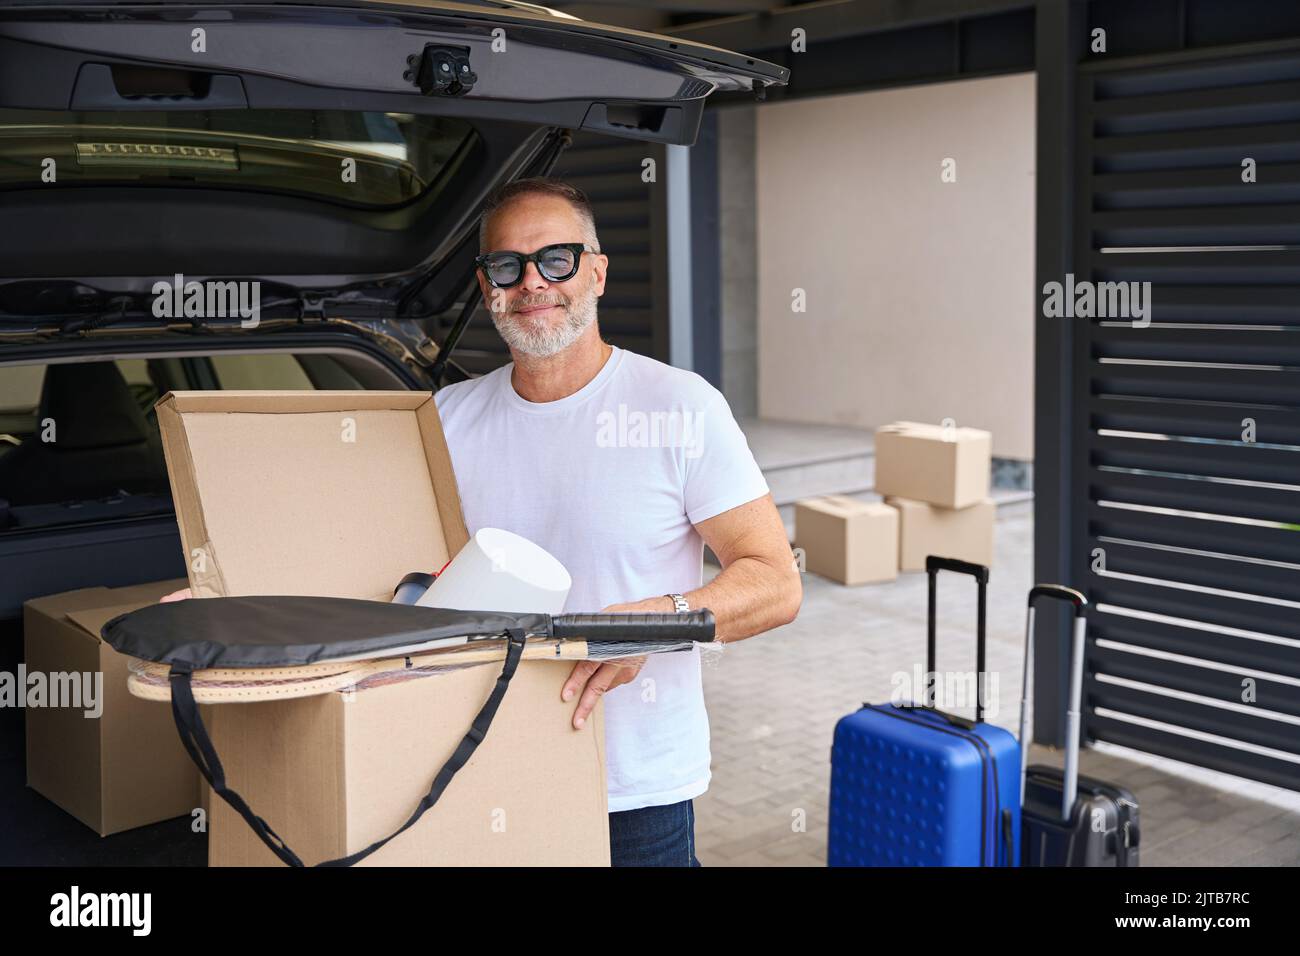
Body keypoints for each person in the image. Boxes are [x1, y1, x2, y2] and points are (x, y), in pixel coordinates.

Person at [163, 177, 801, 866]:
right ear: (485, 283)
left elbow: (774, 582)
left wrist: (654, 623)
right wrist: (234, 599)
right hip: (469, 762)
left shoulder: (678, 406)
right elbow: (359, 558)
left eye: (556, 258)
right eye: (507, 265)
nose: (532, 282)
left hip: (627, 787)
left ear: (598, 270)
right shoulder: (442, 420)